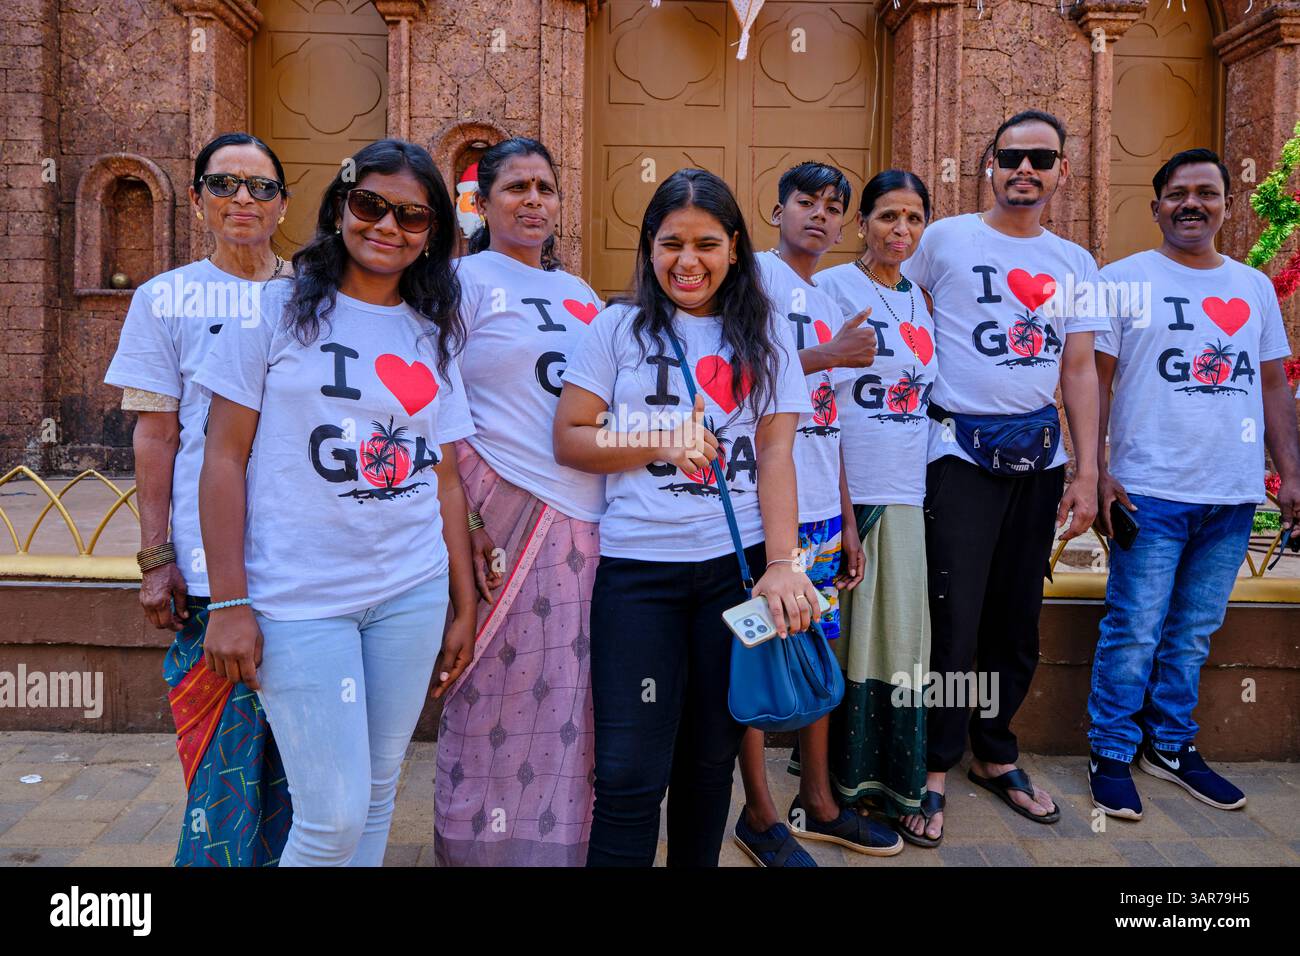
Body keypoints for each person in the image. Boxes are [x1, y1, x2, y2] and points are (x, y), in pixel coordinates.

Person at [195, 138, 477, 866]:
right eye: (370, 205)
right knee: (333, 816)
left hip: (410, 591)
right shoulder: (277, 311)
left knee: (379, 793)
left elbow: (443, 473)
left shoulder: (433, 331)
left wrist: (463, 597)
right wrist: (228, 603)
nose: (388, 226)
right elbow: (222, 458)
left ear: (433, 234)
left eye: (412, 216)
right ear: (339, 208)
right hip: (301, 598)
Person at [555, 168, 815, 867]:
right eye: (671, 243)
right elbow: (572, 435)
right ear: (648, 247)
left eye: (706, 242)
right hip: (639, 578)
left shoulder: (767, 340)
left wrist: (785, 566)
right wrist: (656, 440)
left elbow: (778, 454)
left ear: (735, 247)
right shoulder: (614, 329)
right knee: (630, 776)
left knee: (707, 767)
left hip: (736, 580)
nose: (688, 261)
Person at [904, 109, 1105, 829]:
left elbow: (1079, 370)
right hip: (956, 454)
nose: (1026, 168)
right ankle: (934, 761)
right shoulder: (942, 239)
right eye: (1012, 156)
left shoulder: (1075, 262)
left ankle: (993, 752)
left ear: (1061, 171)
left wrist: (1085, 472)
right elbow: (903, 315)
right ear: (988, 163)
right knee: (954, 621)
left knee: (1016, 620)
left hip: (1039, 460)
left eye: (1041, 158)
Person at [1087, 148, 1300, 819]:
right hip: (1148, 489)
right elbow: (1092, 380)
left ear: (1226, 206)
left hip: (1231, 494)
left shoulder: (1253, 287)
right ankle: (1112, 750)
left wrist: (1291, 473)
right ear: (1155, 208)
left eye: (1207, 193)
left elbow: (1272, 385)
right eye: (1177, 194)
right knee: (1135, 628)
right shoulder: (1121, 279)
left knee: (1193, 632)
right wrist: (1094, 470)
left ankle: (1170, 747)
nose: (1192, 204)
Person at [104, 131, 292, 866]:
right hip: (212, 573)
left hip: (307, 563)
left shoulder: (312, 292)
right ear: (196, 200)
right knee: (223, 770)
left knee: (308, 774)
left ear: (282, 203)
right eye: (224, 185)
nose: (242, 199)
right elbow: (155, 438)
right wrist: (156, 558)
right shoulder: (166, 299)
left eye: (260, 187)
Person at [434, 137, 605, 867]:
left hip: (582, 516)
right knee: (494, 685)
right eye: (516, 187)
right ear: (483, 201)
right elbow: (433, 405)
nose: (533, 200)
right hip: (499, 510)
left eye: (545, 187)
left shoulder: (584, 295)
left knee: (570, 691)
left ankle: (559, 847)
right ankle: (479, 848)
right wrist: (470, 513)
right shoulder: (453, 283)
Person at [733, 160, 901, 865]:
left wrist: (845, 514)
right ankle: (760, 814)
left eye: (835, 206)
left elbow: (825, 422)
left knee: (818, 645)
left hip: (820, 517)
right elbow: (737, 383)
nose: (821, 216)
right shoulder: (752, 282)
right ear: (776, 211)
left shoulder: (830, 294)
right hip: (757, 512)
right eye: (806, 202)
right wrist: (828, 353)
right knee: (752, 653)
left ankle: (820, 801)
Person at [817, 168, 941, 846]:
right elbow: (820, 403)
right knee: (855, 641)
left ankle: (896, 781)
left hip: (907, 493)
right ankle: (842, 789)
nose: (901, 230)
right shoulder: (837, 290)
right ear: (861, 222)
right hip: (855, 493)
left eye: (914, 218)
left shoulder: (920, 299)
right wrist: (840, 511)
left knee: (902, 642)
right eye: (888, 216)